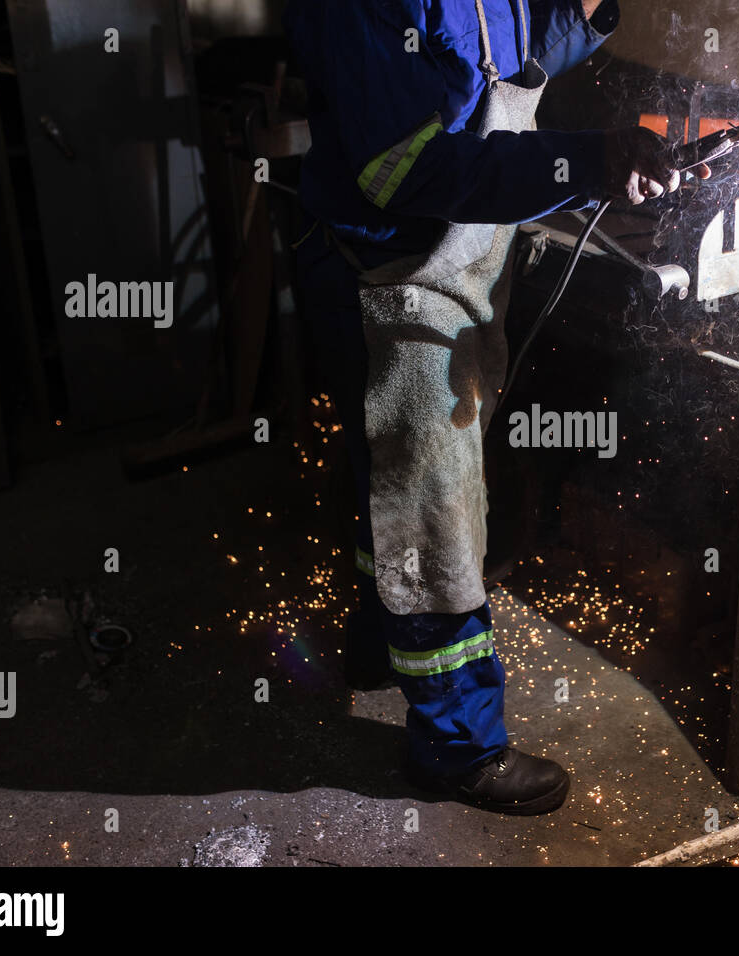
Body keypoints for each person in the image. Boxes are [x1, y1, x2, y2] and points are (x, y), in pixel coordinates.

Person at [285, 0, 705, 815]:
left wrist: (584, 13)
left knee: (395, 486)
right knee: (433, 512)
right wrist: (583, 161)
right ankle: (456, 748)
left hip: (454, 270)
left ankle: (379, 645)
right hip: (390, 277)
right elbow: (401, 172)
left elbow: (496, 59)